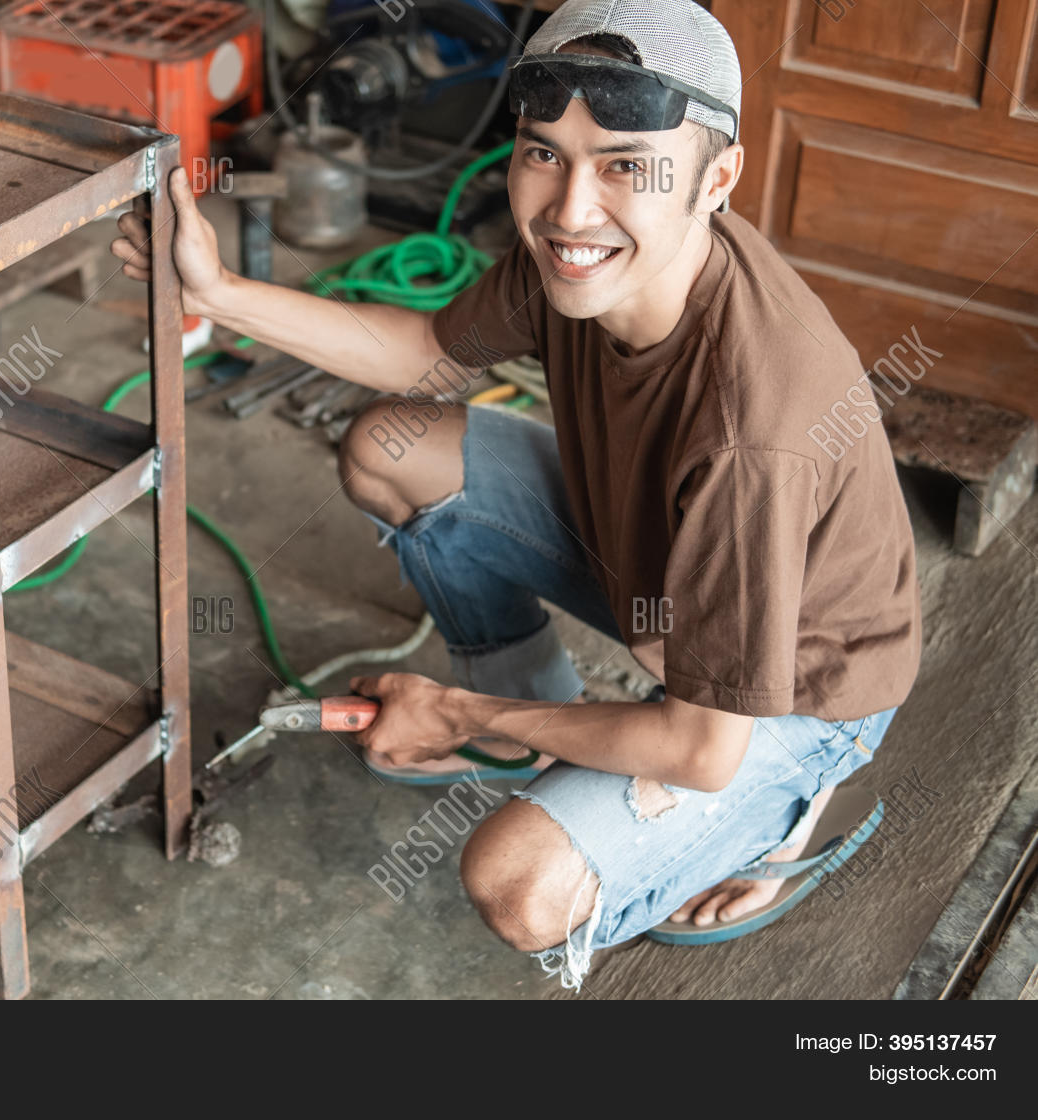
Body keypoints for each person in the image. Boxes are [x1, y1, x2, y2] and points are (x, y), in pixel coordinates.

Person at [110, 0, 921, 989]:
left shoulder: (755, 426)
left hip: (798, 687)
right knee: (389, 446)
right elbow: (422, 354)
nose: (571, 209)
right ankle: (533, 710)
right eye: (544, 153)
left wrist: (453, 711)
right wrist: (219, 292)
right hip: (663, 584)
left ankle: (785, 813)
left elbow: (701, 747)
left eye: (626, 163)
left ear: (716, 181)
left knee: (519, 884)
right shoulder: (572, 259)